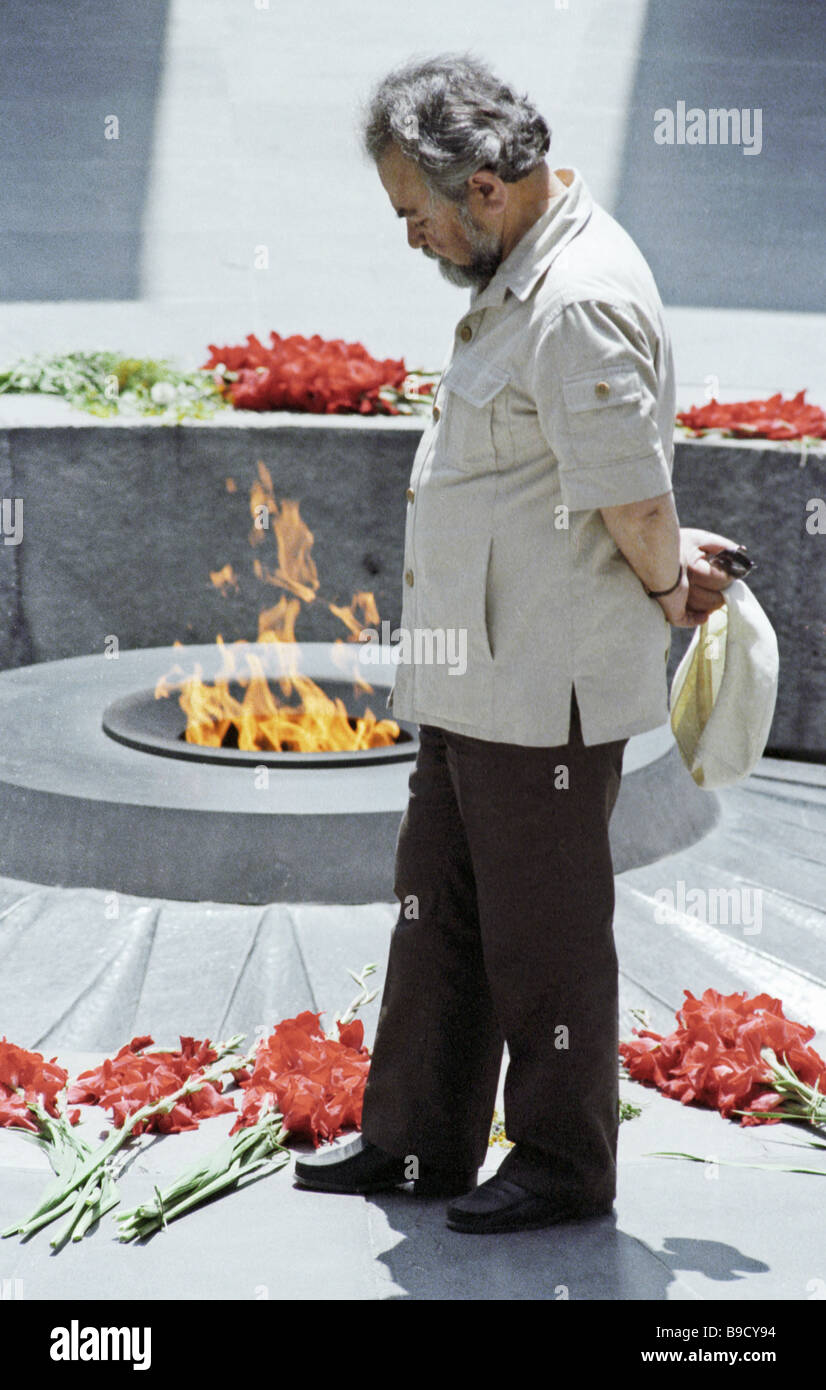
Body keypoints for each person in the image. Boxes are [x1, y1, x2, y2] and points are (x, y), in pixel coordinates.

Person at [294, 53, 740, 1233]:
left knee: (543, 942)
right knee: (431, 913)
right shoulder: (526, 271)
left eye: (413, 210)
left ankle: (559, 1164)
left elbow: (633, 499)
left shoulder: (577, 295)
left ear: (484, 186)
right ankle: (413, 1142)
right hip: (478, 672)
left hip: (541, 689)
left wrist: (669, 582)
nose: (408, 235)